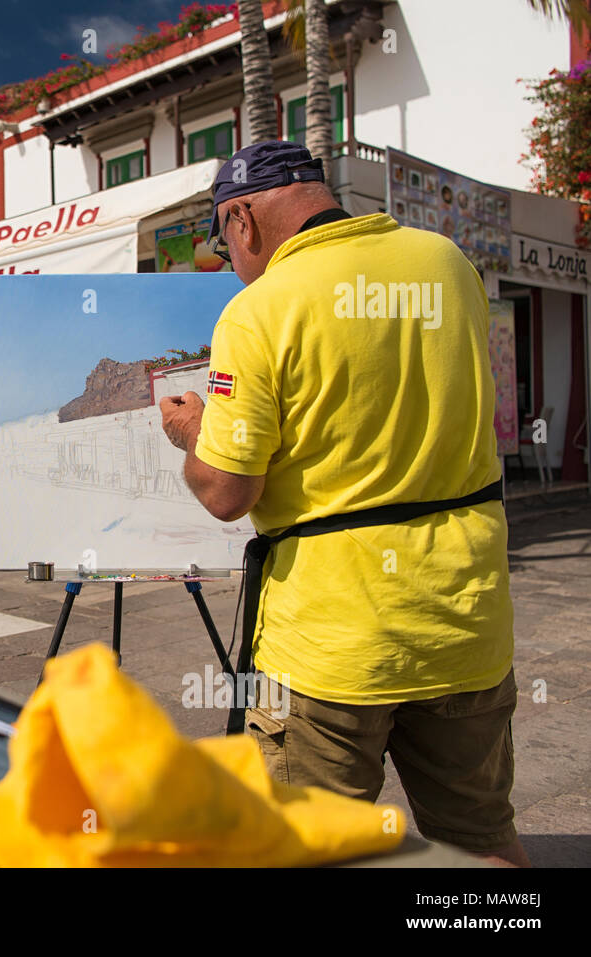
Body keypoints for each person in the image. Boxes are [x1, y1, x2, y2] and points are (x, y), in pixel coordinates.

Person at [157, 141, 526, 867]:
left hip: (332, 646)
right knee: (481, 841)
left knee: (307, 847)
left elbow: (229, 493)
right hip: (466, 618)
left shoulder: (258, 310)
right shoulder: (447, 264)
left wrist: (194, 433)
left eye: (220, 240)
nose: (228, 257)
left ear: (242, 221)